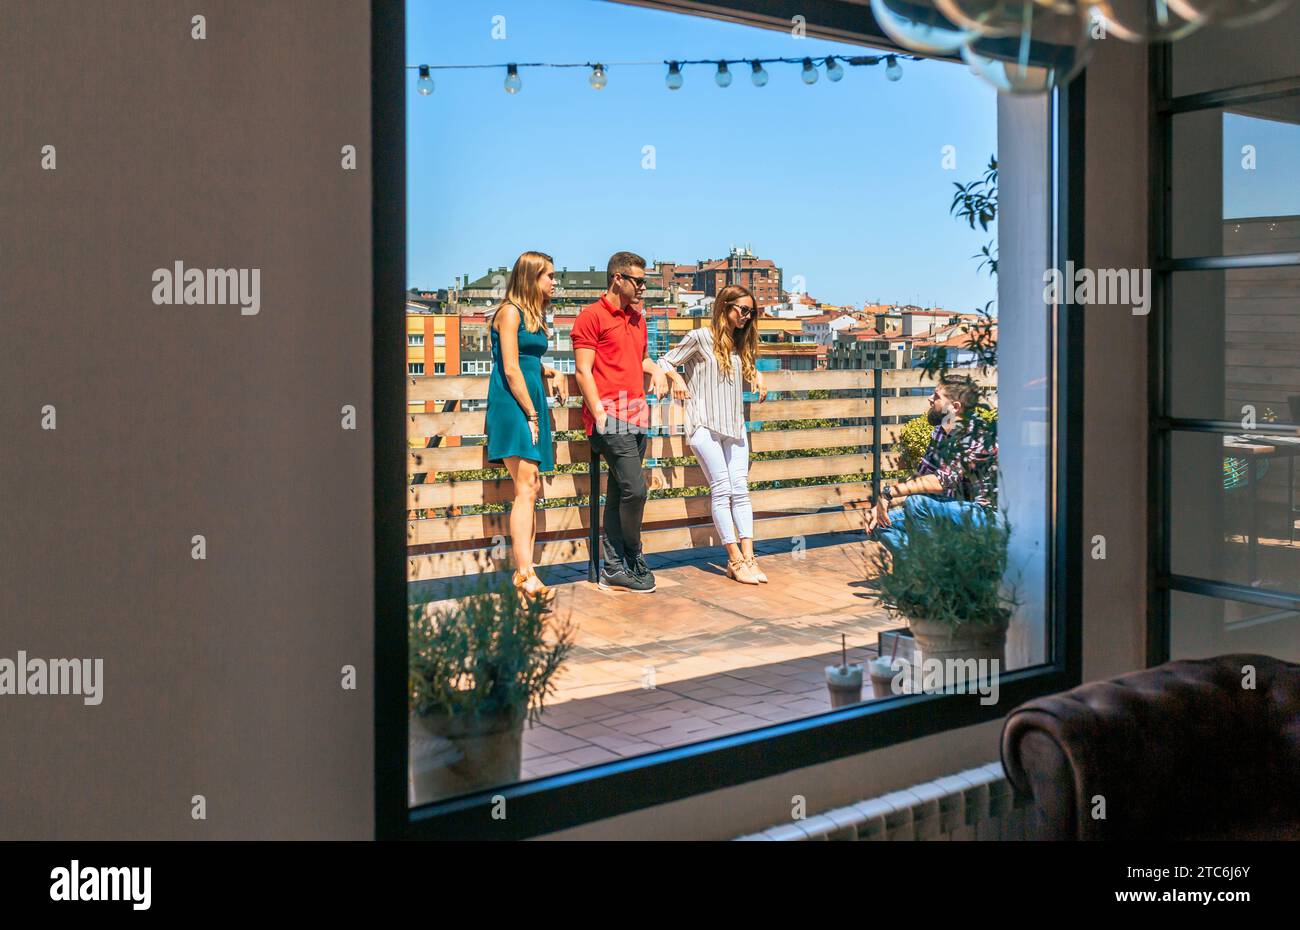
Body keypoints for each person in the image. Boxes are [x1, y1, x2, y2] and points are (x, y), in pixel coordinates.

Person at [571, 251, 669, 593]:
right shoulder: (591, 317)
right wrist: (598, 412)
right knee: (636, 490)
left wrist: (656, 370)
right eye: (638, 281)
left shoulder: (637, 319)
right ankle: (634, 553)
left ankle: (615, 567)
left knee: (620, 493)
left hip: (637, 414)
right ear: (617, 279)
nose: (643, 287)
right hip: (609, 417)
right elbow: (583, 370)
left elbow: (641, 359)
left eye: (645, 281)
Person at [658, 284, 769, 585]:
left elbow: (744, 369)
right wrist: (676, 377)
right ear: (725, 307)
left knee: (741, 491)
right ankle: (734, 559)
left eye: (751, 312)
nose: (747, 316)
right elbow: (665, 361)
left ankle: (748, 558)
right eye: (743, 310)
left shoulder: (739, 342)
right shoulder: (699, 338)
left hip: (734, 426)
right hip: (703, 425)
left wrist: (757, 375)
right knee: (722, 489)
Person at [484, 251, 567, 605]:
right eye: (548, 275)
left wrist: (552, 371)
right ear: (530, 277)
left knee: (530, 489)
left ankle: (527, 576)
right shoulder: (509, 312)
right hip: (514, 404)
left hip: (529, 400)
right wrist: (532, 414)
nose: (554, 281)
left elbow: (529, 361)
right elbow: (511, 368)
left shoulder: (533, 315)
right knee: (526, 488)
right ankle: (525, 573)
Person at [864, 375, 998, 554]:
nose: (929, 399)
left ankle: (931, 570)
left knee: (917, 503)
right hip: (950, 509)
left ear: (955, 407)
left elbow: (941, 481)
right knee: (879, 523)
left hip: (984, 515)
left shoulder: (974, 435)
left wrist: (888, 493)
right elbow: (920, 480)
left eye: (936, 396)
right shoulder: (940, 431)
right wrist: (881, 507)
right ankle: (918, 569)